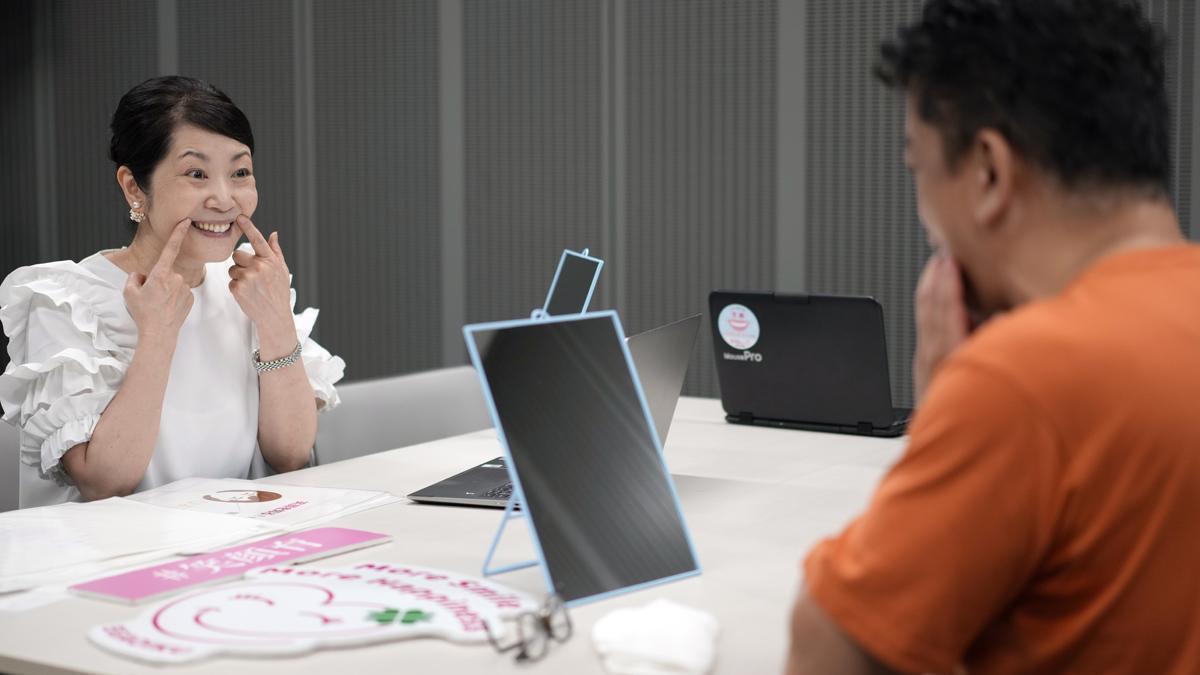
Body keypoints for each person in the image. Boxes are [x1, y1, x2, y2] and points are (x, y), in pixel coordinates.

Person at [786, 1, 1200, 673]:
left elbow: (825, 652)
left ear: (988, 172)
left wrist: (945, 408)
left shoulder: (1023, 379)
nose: (927, 225)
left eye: (918, 169)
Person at [0, 76, 345, 509]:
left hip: (234, 547)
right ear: (133, 187)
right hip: (113, 560)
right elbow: (105, 484)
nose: (224, 199)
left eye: (240, 172)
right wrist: (158, 335)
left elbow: (291, 453)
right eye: (196, 174)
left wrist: (275, 319)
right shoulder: (66, 299)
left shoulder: (248, 287)